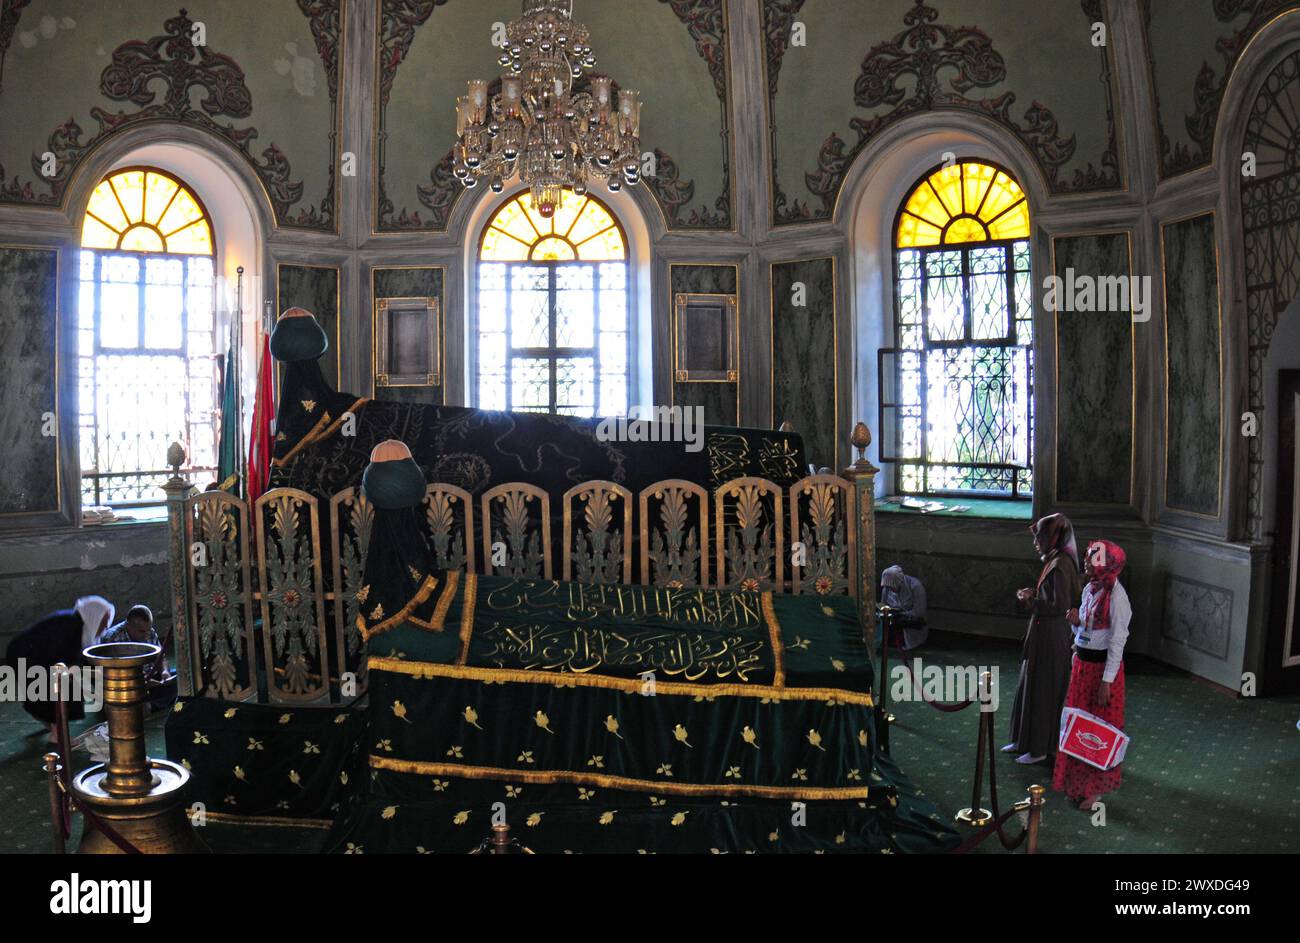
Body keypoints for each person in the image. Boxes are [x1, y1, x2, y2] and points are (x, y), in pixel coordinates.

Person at [1055, 539, 1131, 809]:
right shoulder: (1090, 589)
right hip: (1083, 667)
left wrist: (1106, 682)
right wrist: (1077, 624)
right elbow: (1087, 634)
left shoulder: (1118, 599)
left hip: (1101, 674)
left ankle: (1095, 789)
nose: (1086, 562)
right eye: (1087, 557)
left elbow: (1117, 642)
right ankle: (1078, 783)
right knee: (1079, 725)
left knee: (1099, 730)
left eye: (1092, 558)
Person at [1005, 514, 1081, 765]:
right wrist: (1033, 595)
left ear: (1053, 538)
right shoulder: (1055, 560)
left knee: (1044, 689)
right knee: (1030, 683)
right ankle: (1023, 740)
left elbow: (1057, 605)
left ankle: (1039, 748)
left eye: (1040, 537)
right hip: (1043, 631)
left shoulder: (1060, 565)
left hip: (1051, 635)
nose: (1036, 542)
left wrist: (1029, 599)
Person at [3, 596, 114, 734]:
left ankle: (47, 719)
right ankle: (58, 734)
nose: (106, 626)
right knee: (67, 686)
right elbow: (57, 663)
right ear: (94, 616)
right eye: (104, 621)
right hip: (25, 656)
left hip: (28, 655)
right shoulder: (70, 625)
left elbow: (89, 665)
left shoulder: (80, 626)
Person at [880, 564, 929, 650]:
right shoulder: (887, 588)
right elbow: (883, 604)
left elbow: (919, 611)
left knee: (898, 623)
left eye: (892, 587)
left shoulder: (915, 586)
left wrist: (902, 614)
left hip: (910, 620)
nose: (891, 589)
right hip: (893, 618)